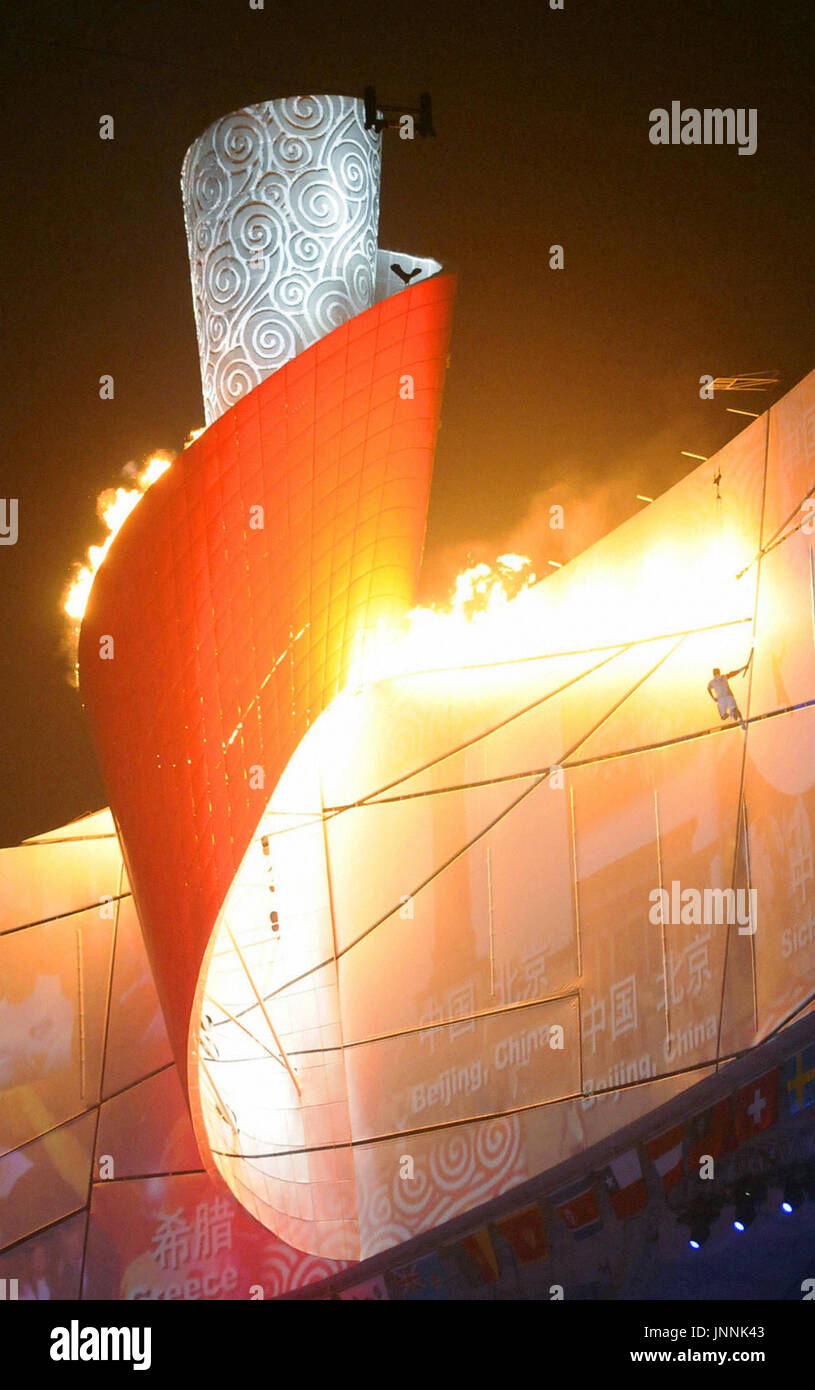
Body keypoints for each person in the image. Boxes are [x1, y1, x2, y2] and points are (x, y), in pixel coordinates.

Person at [707, 661, 749, 729]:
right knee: (733, 710)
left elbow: (708, 689)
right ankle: (737, 718)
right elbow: (733, 673)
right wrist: (743, 668)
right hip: (726, 697)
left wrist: (713, 697)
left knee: (724, 716)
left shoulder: (714, 681)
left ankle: (735, 717)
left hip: (723, 698)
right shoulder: (723, 677)